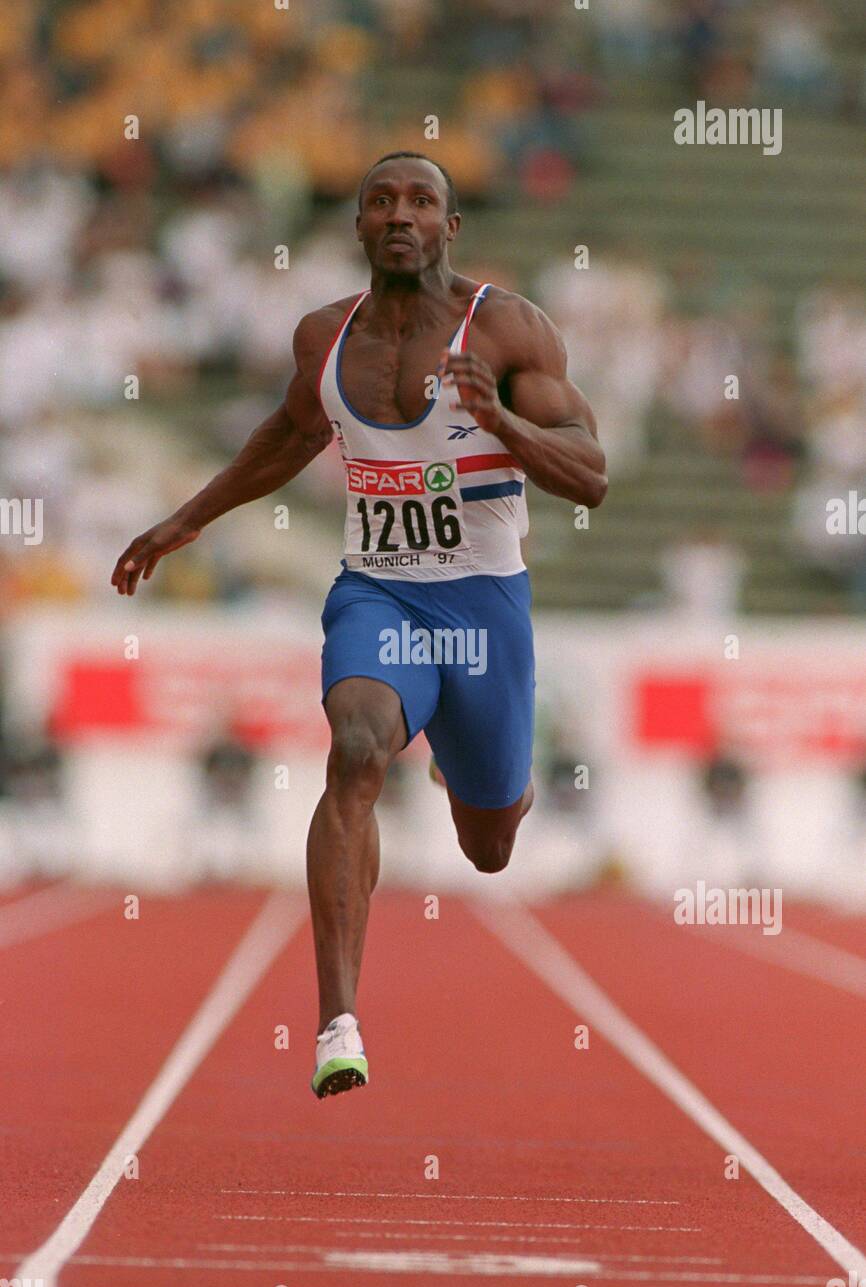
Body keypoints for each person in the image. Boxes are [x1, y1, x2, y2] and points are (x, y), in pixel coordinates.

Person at [111, 152, 606, 1098]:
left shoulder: (504, 328)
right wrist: (188, 520)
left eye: (422, 201)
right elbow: (293, 432)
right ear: (360, 226)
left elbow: (591, 473)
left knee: (489, 846)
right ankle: (338, 1019)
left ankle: (502, 784)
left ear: (451, 228)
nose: (400, 215)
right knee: (357, 747)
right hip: (379, 593)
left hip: (484, 610)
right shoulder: (324, 337)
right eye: (381, 201)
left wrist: (504, 423)